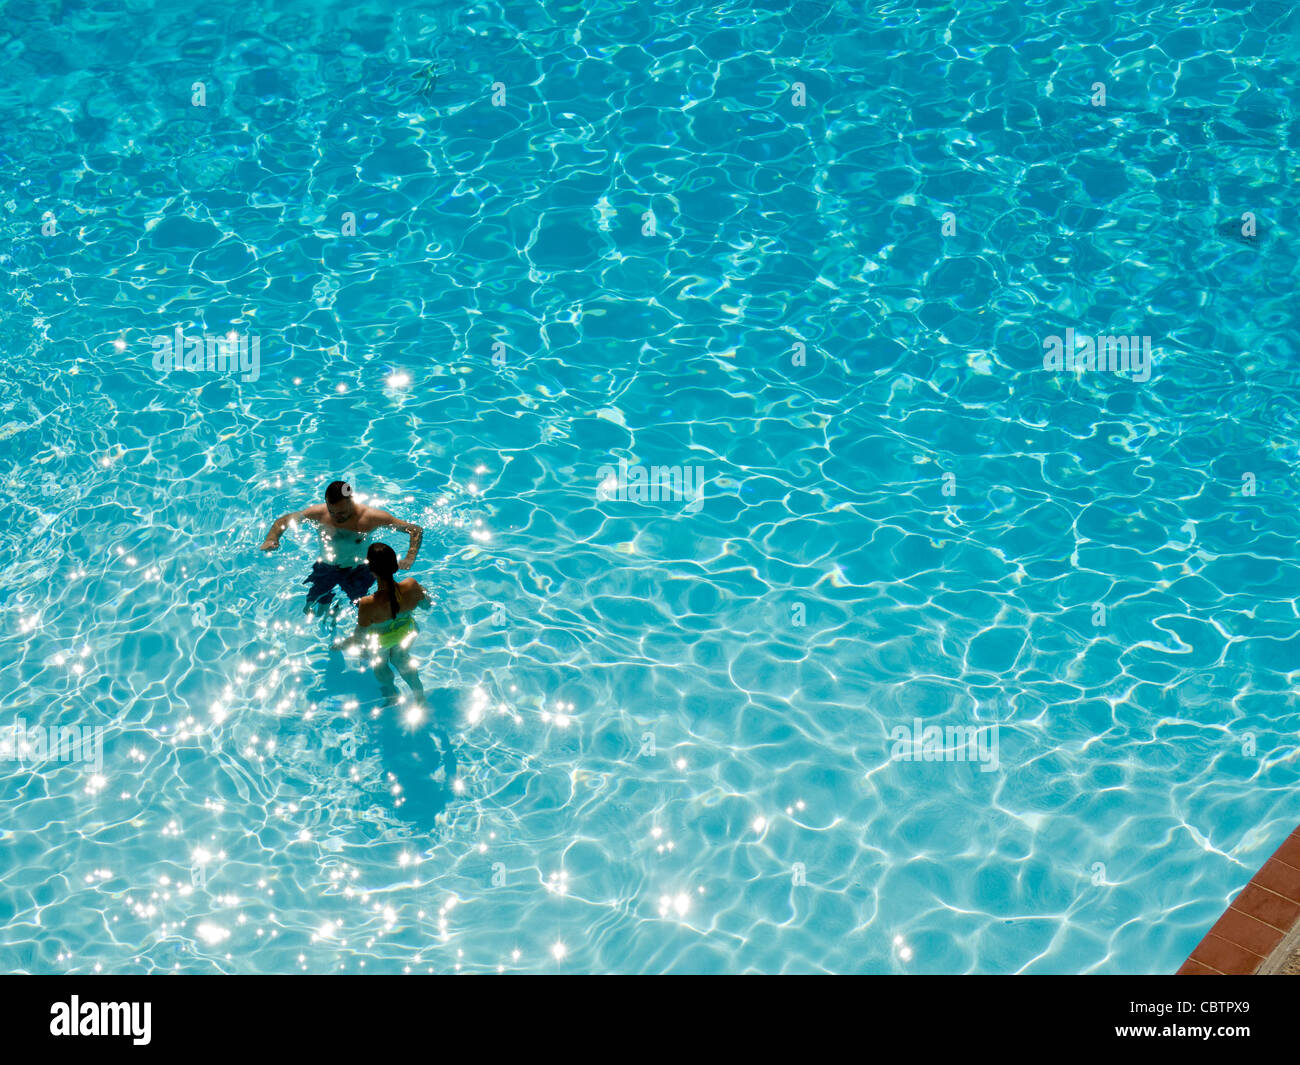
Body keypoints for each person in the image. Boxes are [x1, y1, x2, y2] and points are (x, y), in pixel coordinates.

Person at [260, 480, 423, 614]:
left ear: (351, 501)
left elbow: (414, 530)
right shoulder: (318, 513)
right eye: (332, 512)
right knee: (311, 608)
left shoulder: (371, 517)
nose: (337, 517)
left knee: (361, 608)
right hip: (326, 567)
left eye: (342, 512)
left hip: (358, 570)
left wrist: (410, 557)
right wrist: (272, 538)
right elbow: (283, 521)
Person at [343, 542, 430, 704]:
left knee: (381, 666)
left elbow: (359, 636)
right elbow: (427, 605)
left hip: (382, 642)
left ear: (372, 571)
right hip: (407, 631)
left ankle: (392, 694)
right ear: (395, 565)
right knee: (401, 659)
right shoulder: (412, 584)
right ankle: (419, 697)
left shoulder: (368, 603)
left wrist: (346, 644)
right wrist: (422, 592)